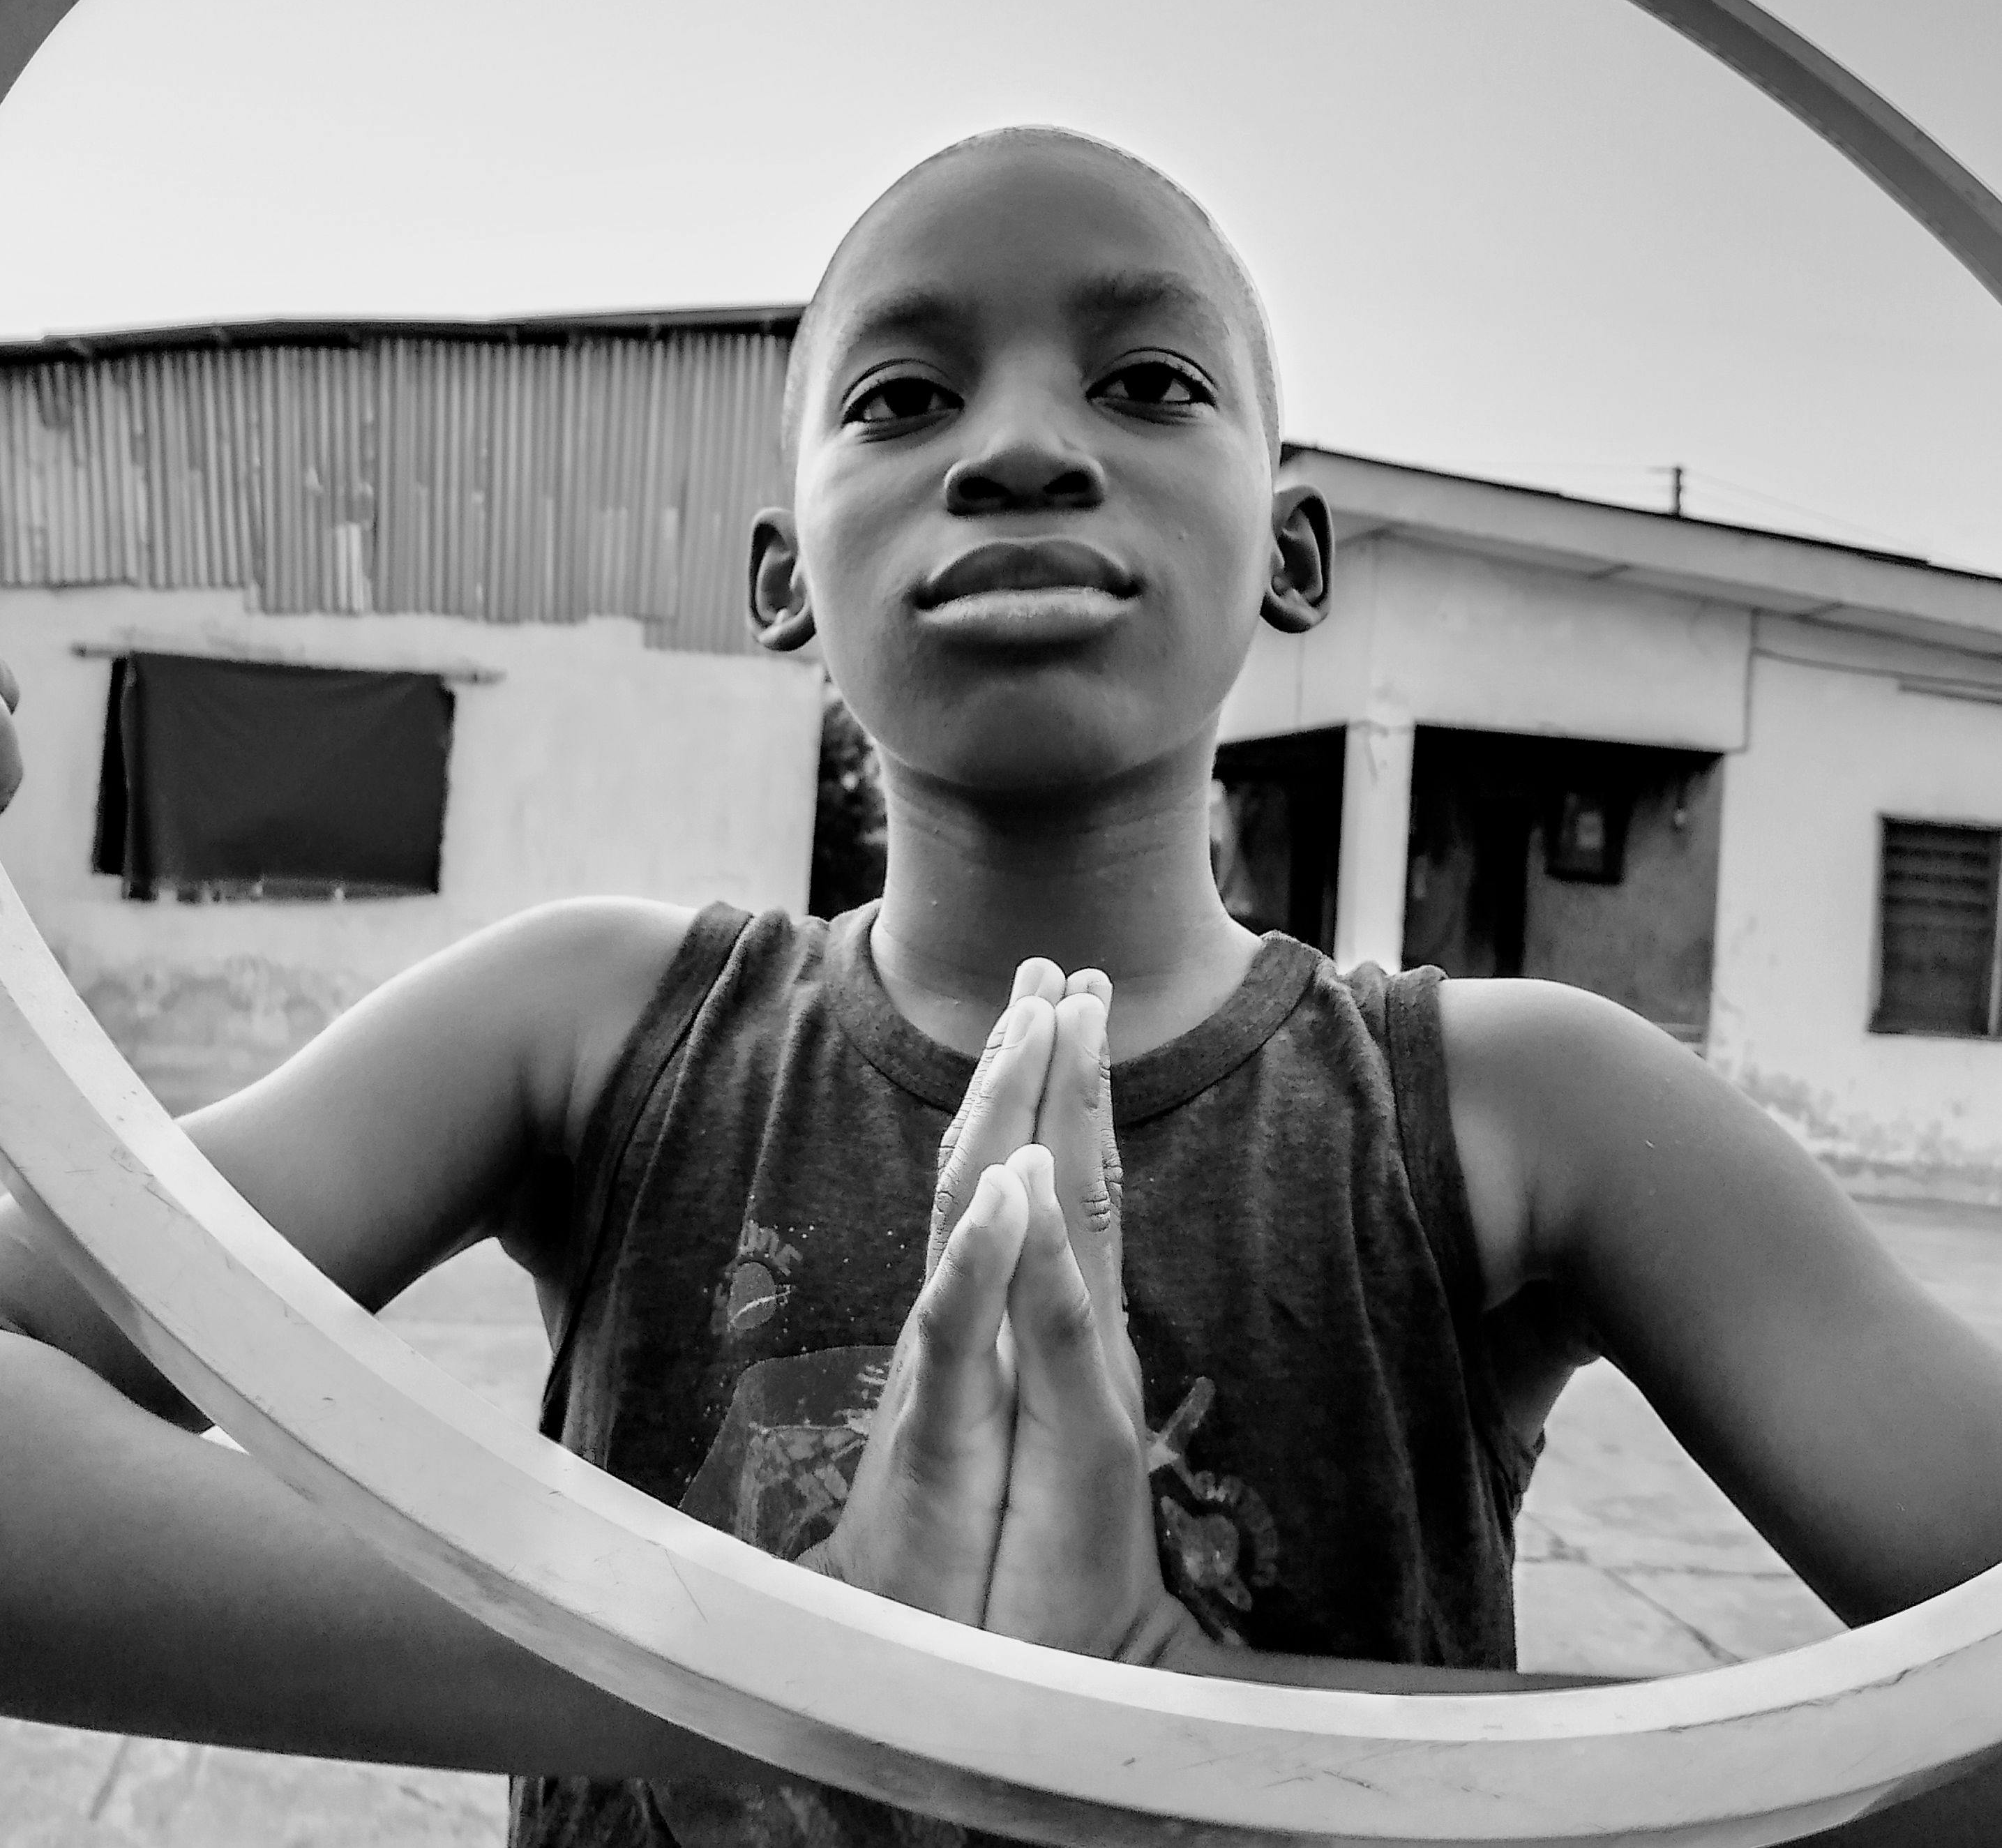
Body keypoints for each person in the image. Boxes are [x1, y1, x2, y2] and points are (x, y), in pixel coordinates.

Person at [3, 126, 2001, 1848]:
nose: (1029, 447)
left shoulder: (1533, 1112)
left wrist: (1164, 1700)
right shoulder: (587, 1026)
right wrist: (771, 1661)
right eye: (901, 399)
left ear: (1294, 549)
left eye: (1145, 383)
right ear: (788, 577)